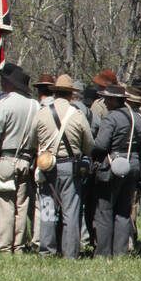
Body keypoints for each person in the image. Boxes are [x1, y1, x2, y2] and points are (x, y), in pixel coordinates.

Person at [33, 75, 93, 258]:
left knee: (48, 210)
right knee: (71, 212)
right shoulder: (77, 114)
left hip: (47, 166)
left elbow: (31, 139)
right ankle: (70, 253)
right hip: (70, 166)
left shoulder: (42, 113)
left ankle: (47, 251)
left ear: (55, 91)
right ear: (70, 95)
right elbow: (89, 144)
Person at [91, 78, 141, 257]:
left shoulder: (111, 118)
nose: (105, 102)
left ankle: (103, 252)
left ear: (116, 100)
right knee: (124, 211)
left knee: (105, 210)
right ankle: (120, 252)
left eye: (108, 99)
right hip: (134, 165)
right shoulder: (137, 118)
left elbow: (100, 145)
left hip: (114, 166)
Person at [0, 64, 41, 253]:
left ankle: (4, 246)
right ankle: (19, 245)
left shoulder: (5, 104)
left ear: (9, 82)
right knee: (22, 204)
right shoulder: (35, 105)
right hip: (27, 159)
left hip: (6, 159)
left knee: (6, 204)